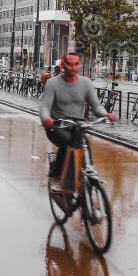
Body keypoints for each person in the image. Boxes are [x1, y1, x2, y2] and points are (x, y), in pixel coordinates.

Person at [39, 52, 116, 183]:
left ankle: (88, 173)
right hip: (57, 125)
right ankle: (56, 173)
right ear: (63, 66)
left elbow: (96, 106)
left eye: (76, 64)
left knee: (84, 144)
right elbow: (45, 106)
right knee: (68, 142)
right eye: (69, 64)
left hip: (77, 125)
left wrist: (105, 114)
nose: (73, 67)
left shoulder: (86, 83)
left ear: (79, 65)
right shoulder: (53, 83)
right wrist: (47, 120)